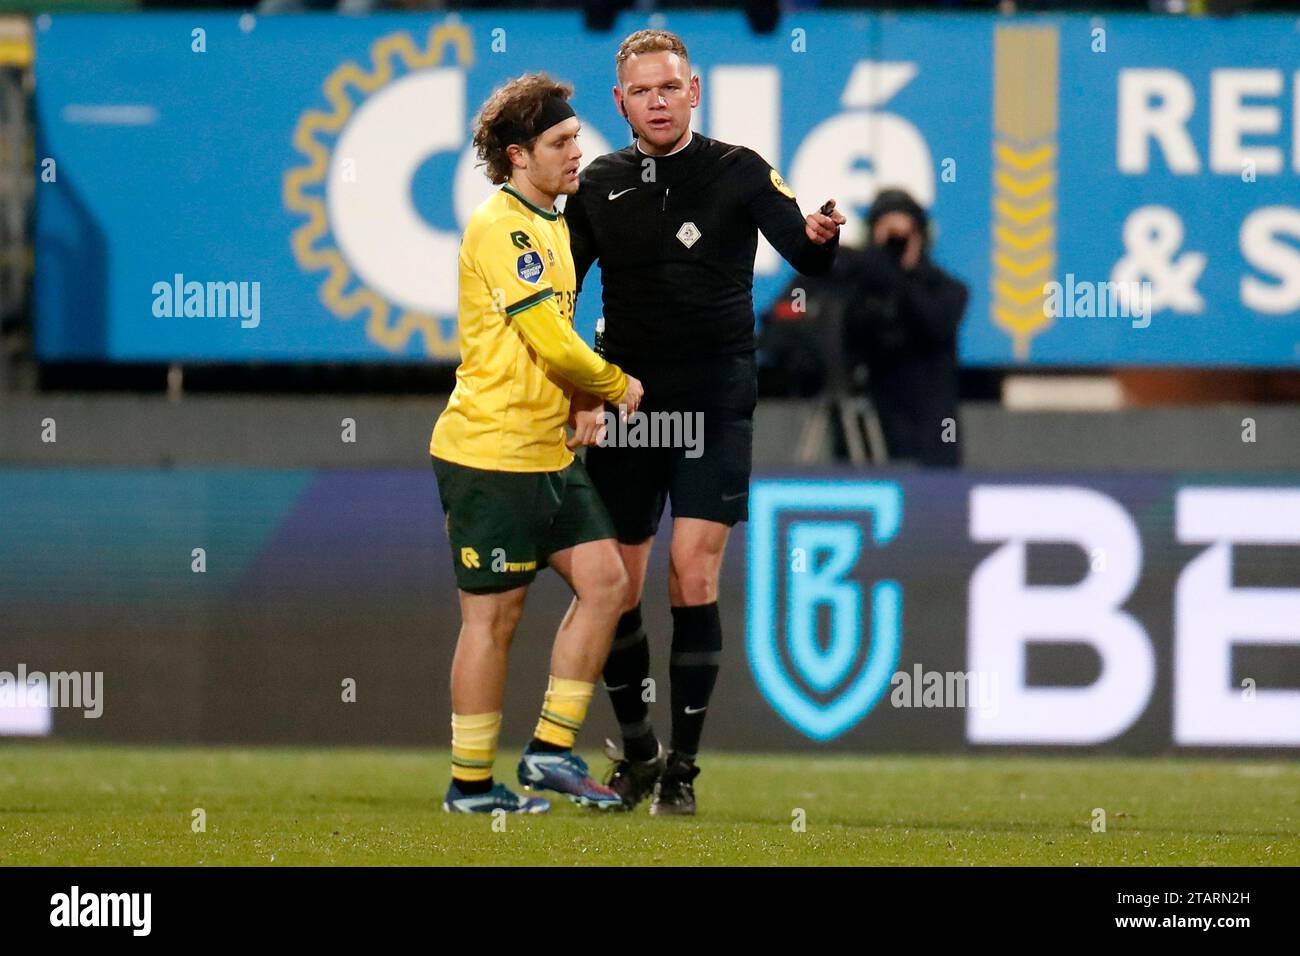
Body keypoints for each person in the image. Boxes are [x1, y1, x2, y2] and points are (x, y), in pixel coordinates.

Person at [563, 29, 844, 814]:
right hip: (632, 400)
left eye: (669, 87)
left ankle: (682, 770)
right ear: (620, 103)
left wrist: (818, 239)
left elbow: (806, 250)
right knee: (613, 584)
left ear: (695, 93)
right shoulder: (598, 185)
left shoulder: (739, 170)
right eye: (641, 91)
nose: (657, 101)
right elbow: (559, 294)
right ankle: (640, 749)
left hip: (714, 398)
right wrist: (580, 388)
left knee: (693, 572)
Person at [429, 73, 645, 814]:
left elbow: (555, 343)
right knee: (493, 620)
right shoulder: (502, 226)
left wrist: (582, 395)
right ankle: (468, 786)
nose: (577, 150)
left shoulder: (553, 219)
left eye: (577, 136)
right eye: (561, 141)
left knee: (608, 583)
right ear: (519, 155)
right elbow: (550, 339)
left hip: (547, 455)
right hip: (490, 455)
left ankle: (551, 752)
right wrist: (613, 384)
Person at [836, 189, 969, 467]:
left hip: (929, 438)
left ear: (921, 237)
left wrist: (896, 277)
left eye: (904, 236)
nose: (896, 245)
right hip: (871, 430)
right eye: (888, 237)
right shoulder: (858, 289)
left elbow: (935, 324)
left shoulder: (946, 290)